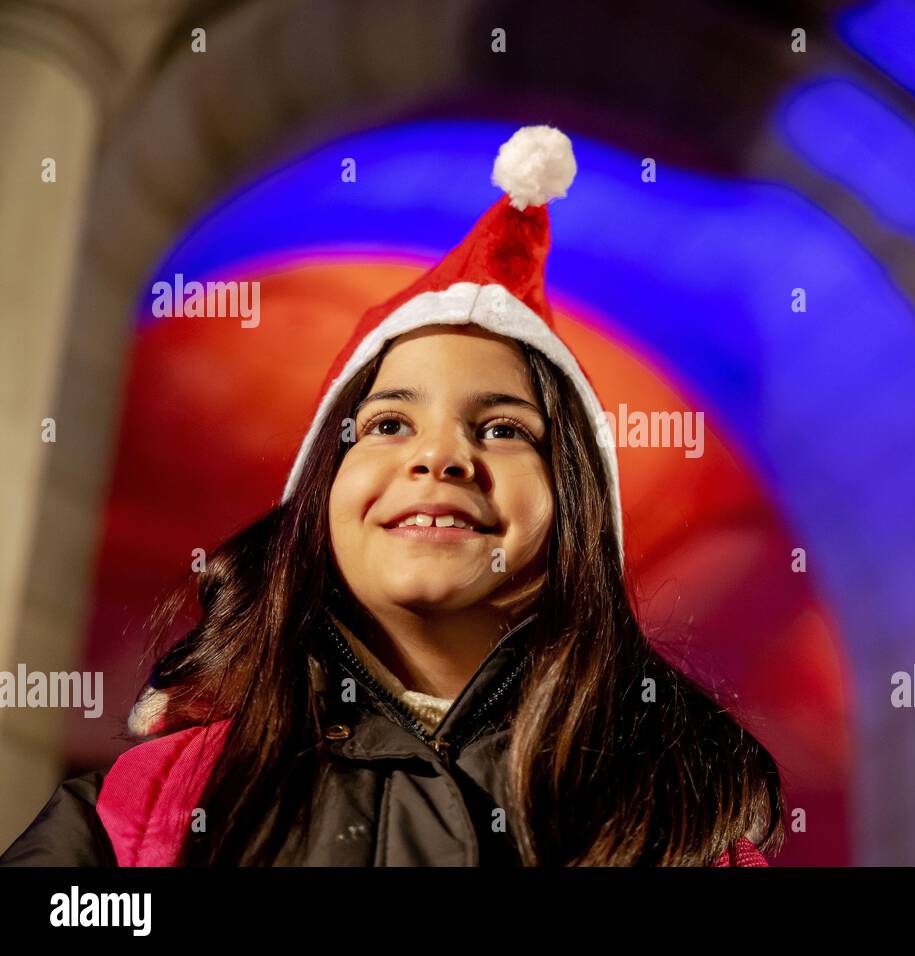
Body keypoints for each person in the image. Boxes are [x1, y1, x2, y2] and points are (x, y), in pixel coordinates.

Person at [1, 125, 784, 867]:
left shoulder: (682, 825)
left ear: (576, 514)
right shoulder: (142, 811)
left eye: (505, 430)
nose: (441, 454)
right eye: (386, 423)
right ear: (320, 500)